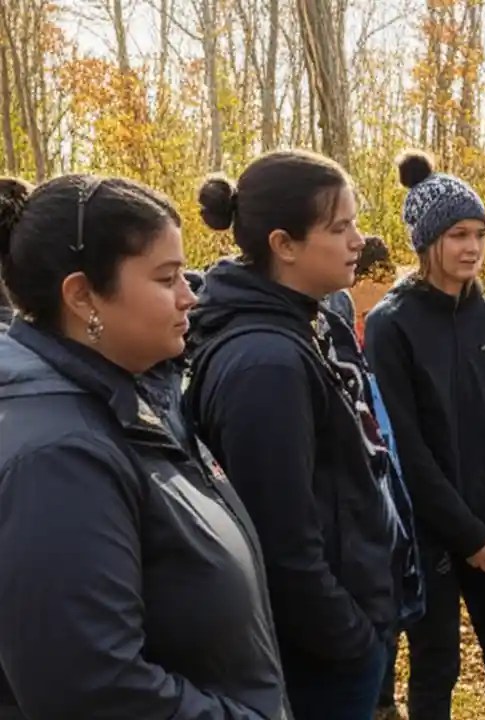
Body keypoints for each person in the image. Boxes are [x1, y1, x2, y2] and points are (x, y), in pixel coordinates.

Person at [0, 175, 286, 717]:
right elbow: (93, 691)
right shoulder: (60, 458)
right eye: (166, 277)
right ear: (82, 296)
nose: (190, 295)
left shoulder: (136, 397)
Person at [183, 150, 400, 719]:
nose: (359, 240)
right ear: (284, 244)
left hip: (334, 640)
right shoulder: (265, 364)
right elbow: (280, 543)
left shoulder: (302, 324)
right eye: (340, 227)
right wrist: (352, 641)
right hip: (315, 661)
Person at [363, 151, 485, 720]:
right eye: (459, 233)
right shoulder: (391, 324)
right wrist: (467, 536)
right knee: (437, 667)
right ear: (428, 241)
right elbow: (405, 448)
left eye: (480, 234)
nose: (473, 247)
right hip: (430, 533)